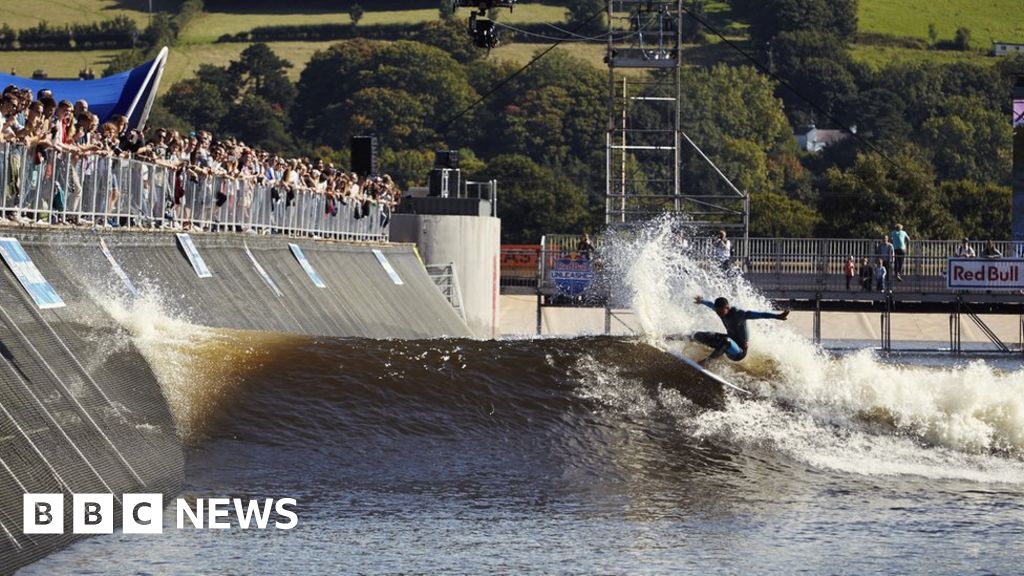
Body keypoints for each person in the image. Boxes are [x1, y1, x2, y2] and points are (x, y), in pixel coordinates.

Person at [691, 295, 789, 363]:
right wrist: (702, 301)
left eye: (721, 312)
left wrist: (777, 316)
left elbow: (760, 314)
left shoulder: (739, 314)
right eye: (717, 311)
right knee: (702, 334)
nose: (719, 314)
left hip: (739, 352)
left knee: (726, 341)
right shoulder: (718, 309)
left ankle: (706, 363)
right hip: (729, 345)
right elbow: (710, 304)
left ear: (727, 307)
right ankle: (677, 337)